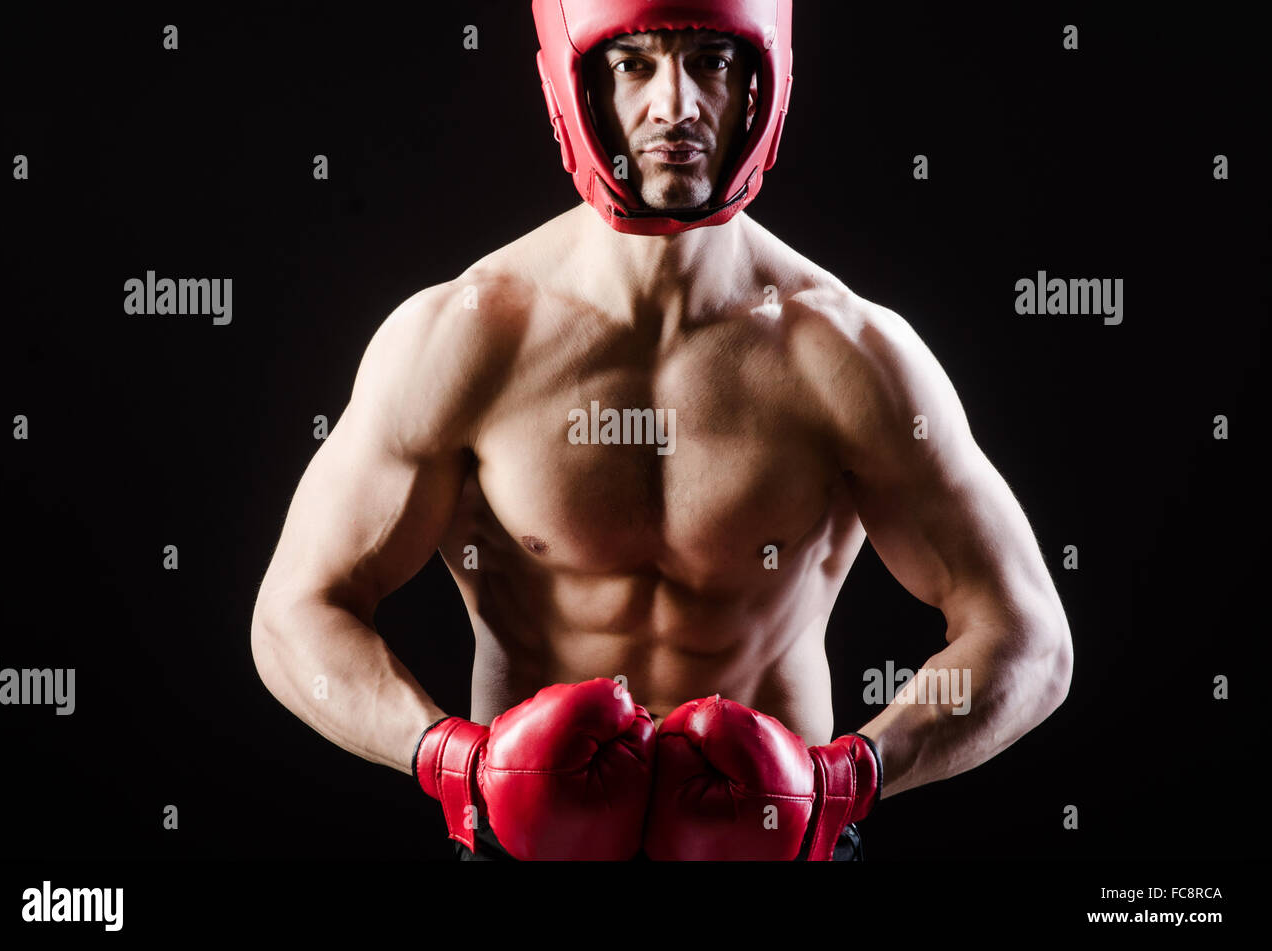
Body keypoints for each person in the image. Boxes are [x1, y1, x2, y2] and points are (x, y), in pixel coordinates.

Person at [250, 0, 1073, 861]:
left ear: (761, 82)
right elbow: (293, 614)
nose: (675, 104)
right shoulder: (466, 336)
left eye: (711, 63)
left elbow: (1030, 639)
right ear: (574, 87)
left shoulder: (850, 353)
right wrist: (451, 760)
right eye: (634, 64)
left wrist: (846, 780)